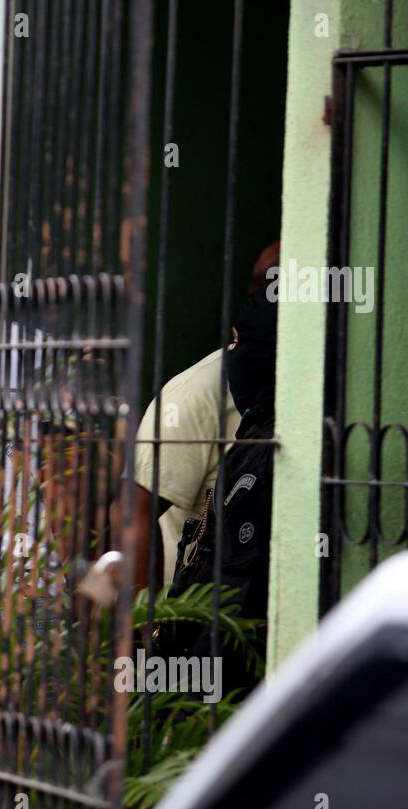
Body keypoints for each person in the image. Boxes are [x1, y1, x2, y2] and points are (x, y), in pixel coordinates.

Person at [126, 243, 279, 591]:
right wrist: (138, 632)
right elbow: (132, 515)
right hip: (186, 623)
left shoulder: (307, 385)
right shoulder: (196, 396)